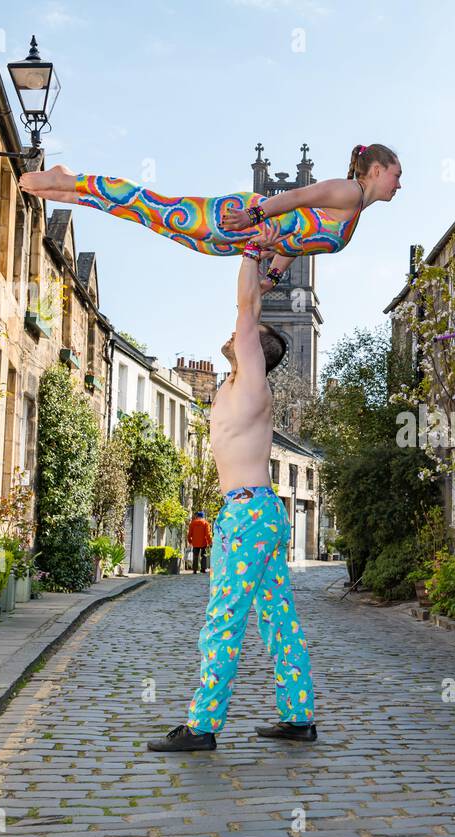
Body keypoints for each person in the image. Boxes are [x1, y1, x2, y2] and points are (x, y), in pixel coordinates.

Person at [147, 246, 317, 752]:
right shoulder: (237, 386)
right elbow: (247, 307)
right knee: (277, 618)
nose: (235, 332)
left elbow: (245, 311)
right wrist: (264, 281)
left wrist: (250, 252)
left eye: (245, 333)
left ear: (255, 349)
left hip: (247, 513)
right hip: (252, 512)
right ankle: (298, 716)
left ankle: (202, 727)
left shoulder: (252, 382)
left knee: (223, 618)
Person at [19, 145, 401, 292]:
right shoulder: (349, 192)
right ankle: (72, 180)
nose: (399, 185)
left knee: (148, 219)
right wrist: (252, 214)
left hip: (238, 241)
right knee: (153, 206)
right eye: (396, 175)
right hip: (237, 220)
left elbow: (296, 243)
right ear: (377, 170)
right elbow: (297, 197)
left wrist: (271, 279)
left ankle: (73, 193)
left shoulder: (353, 215)